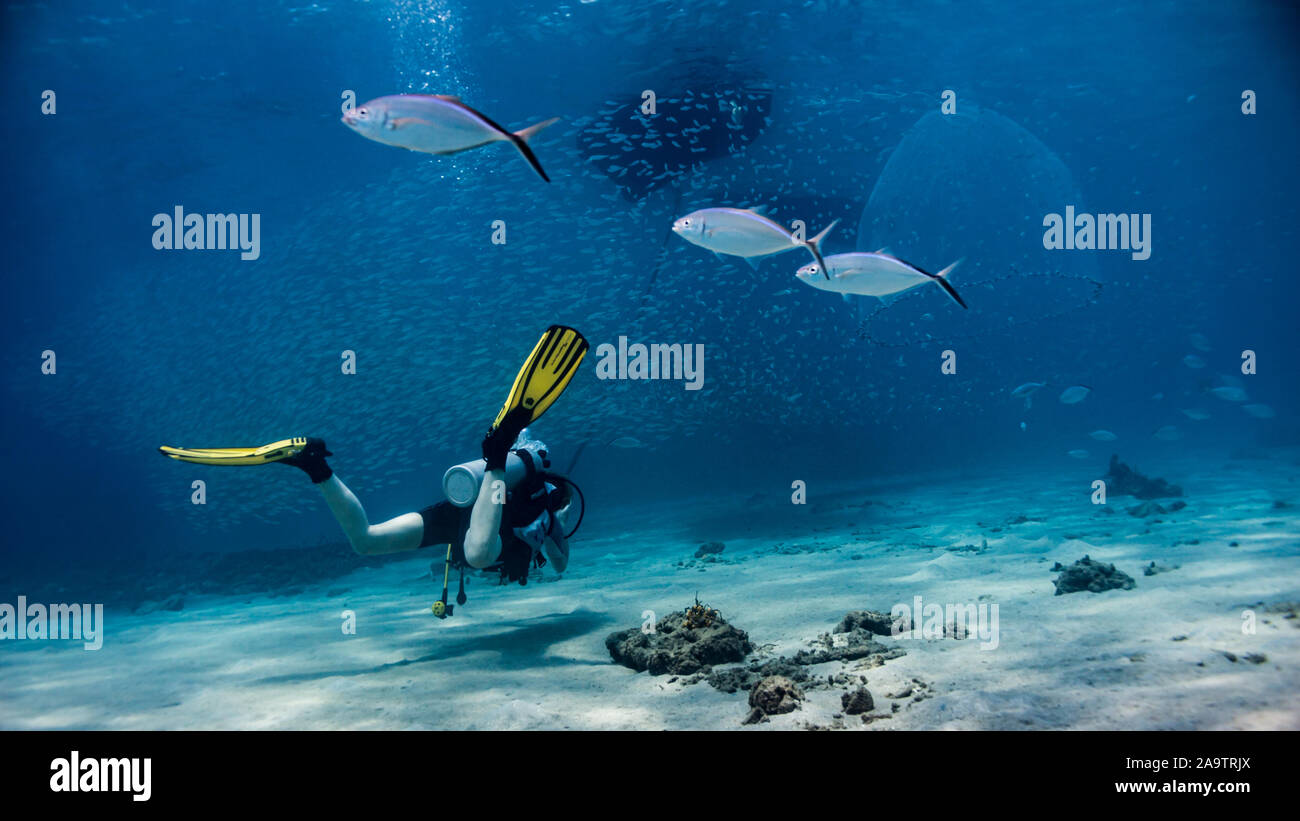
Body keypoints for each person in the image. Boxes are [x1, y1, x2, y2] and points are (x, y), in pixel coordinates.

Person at [159, 325, 589, 612]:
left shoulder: (541, 505)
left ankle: (315, 467)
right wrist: (552, 520)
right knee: (479, 553)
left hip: (461, 509)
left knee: (367, 543)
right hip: (482, 509)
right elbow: (561, 565)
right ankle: (497, 452)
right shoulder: (548, 518)